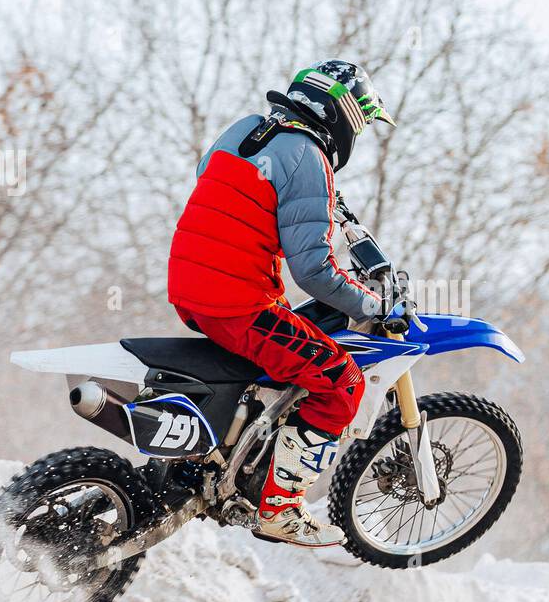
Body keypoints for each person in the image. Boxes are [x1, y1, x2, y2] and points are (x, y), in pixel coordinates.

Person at [167, 60, 396, 547]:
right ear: (343, 115)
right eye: (361, 122)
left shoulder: (247, 128)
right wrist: (371, 306)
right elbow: (313, 271)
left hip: (190, 286)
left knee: (287, 346)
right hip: (237, 303)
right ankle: (280, 509)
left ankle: (230, 453)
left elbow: (217, 178)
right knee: (340, 382)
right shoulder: (310, 157)